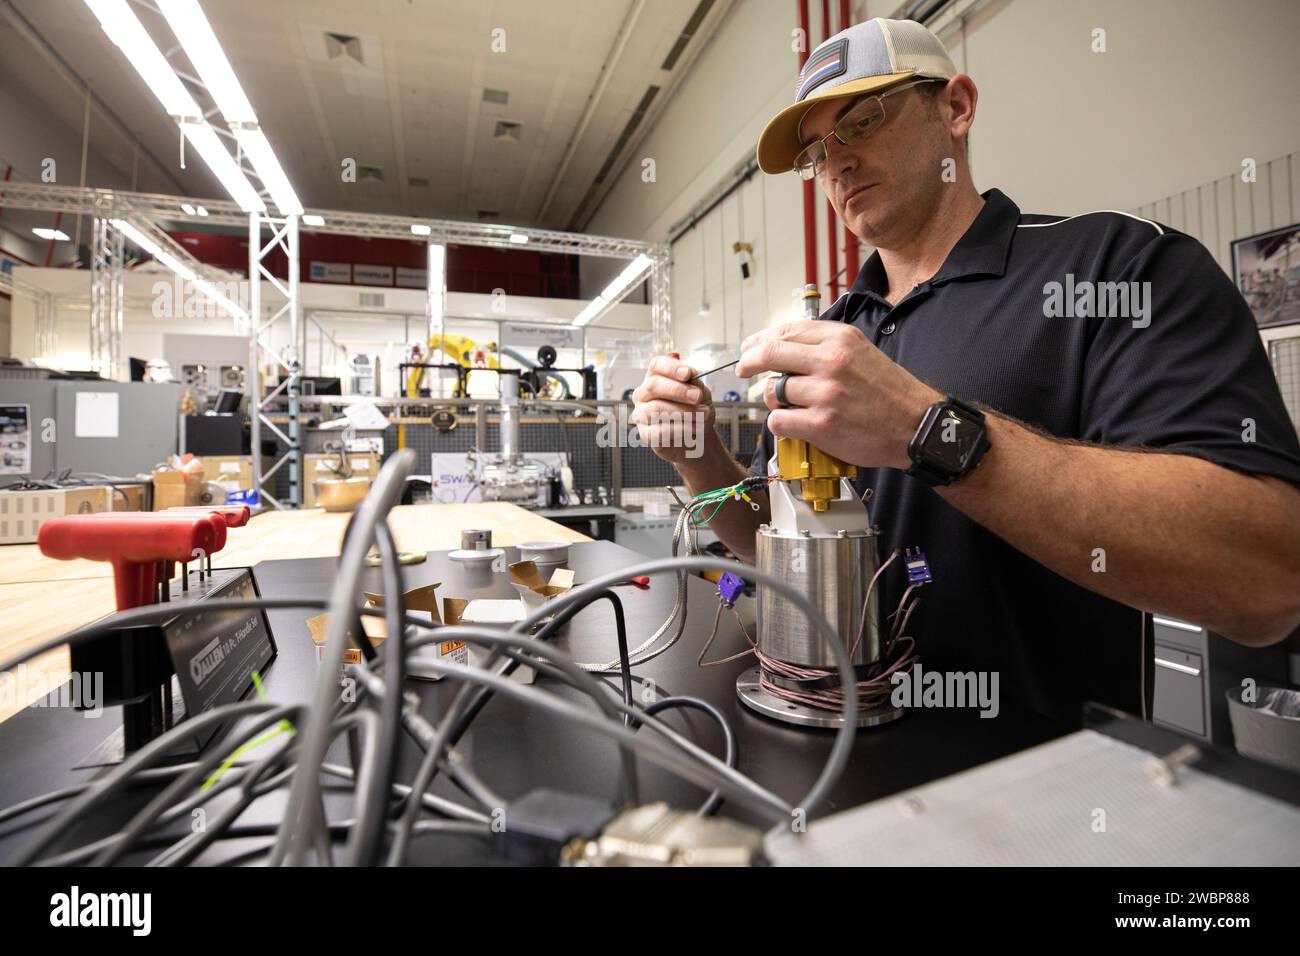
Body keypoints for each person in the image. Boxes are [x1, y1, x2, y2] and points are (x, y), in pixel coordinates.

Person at [630, 17, 1300, 725]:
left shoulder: (1113, 270)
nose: (837, 166)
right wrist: (699, 455)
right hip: (832, 762)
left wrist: (928, 431)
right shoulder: (828, 334)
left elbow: (1267, 581)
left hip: (1040, 795)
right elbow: (777, 535)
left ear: (955, 107)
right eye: (817, 153)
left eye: (859, 123)